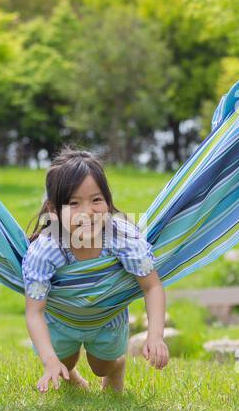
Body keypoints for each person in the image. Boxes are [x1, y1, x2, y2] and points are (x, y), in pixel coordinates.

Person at [22, 149, 170, 393]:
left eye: (96, 200)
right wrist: (50, 362)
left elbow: (151, 285)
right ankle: (72, 377)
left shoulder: (121, 237)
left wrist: (155, 336)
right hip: (61, 320)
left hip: (107, 319)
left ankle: (115, 369)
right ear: (54, 211)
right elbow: (34, 312)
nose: (87, 212)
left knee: (101, 366)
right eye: (73, 203)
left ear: (108, 202)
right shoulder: (46, 250)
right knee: (64, 361)